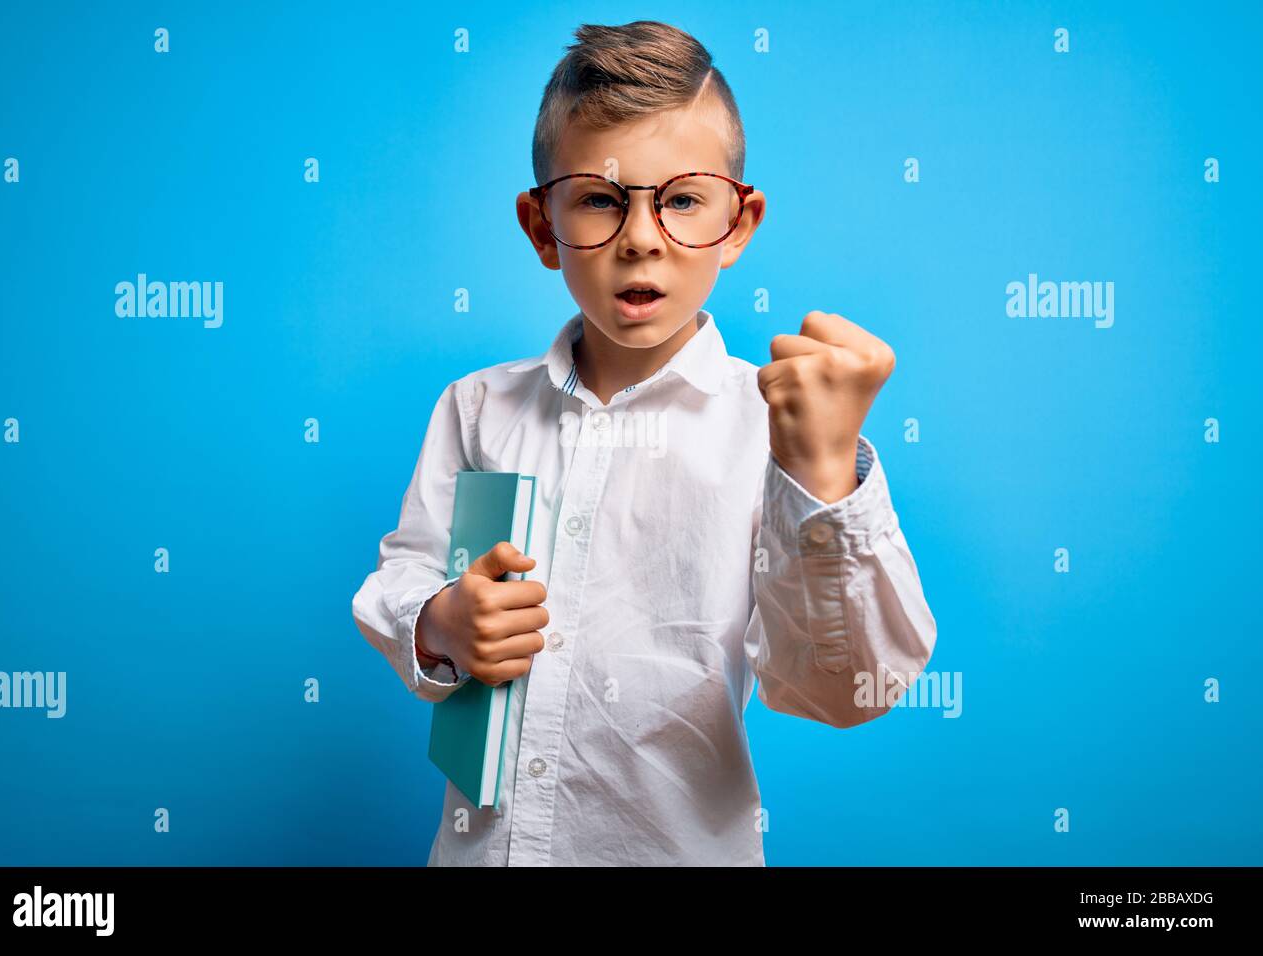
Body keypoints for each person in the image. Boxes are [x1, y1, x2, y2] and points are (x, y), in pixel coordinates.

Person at [352, 19, 937, 866]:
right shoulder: (476, 409)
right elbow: (403, 572)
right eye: (598, 197)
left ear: (738, 225)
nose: (640, 236)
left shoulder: (770, 429)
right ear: (541, 226)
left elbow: (843, 690)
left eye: (683, 199)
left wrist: (822, 477)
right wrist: (439, 621)